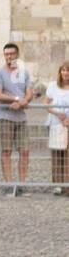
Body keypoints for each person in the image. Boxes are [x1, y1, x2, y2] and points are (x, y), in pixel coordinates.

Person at [0, 42, 35, 196]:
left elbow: (30, 91)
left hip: (21, 117)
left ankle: (22, 185)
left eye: (12, 54)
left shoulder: (24, 72)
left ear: (17, 55)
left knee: (25, 151)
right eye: (6, 54)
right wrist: (16, 99)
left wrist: (24, 101)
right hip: (5, 116)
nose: (9, 57)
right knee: (7, 150)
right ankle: (9, 184)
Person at [45, 60, 69, 194]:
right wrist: (58, 114)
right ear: (60, 72)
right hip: (55, 123)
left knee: (67, 155)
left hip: (68, 124)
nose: (65, 73)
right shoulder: (53, 86)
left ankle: (67, 185)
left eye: (68, 70)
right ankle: (58, 184)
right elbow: (46, 104)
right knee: (57, 154)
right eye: (63, 70)